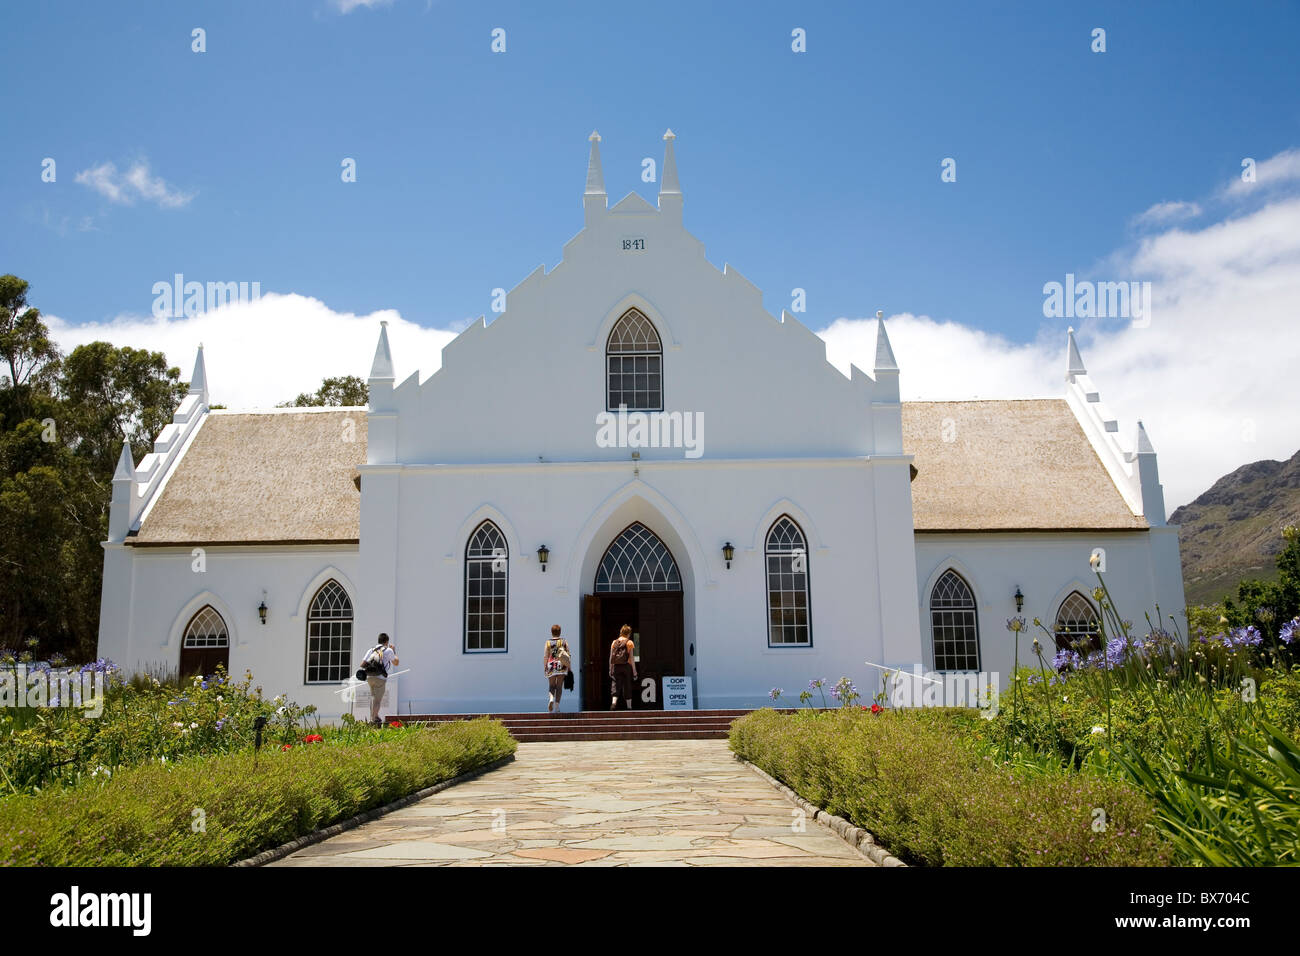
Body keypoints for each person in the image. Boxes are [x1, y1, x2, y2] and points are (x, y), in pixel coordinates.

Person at [360, 633, 398, 726]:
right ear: (387, 641)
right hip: (380, 678)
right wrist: (394, 651)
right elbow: (396, 662)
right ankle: (373, 719)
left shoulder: (371, 650)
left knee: (373, 698)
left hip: (369, 677)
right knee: (377, 700)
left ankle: (374, 717)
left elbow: (362, 664)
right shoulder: (388, 650)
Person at [543, 624, 571, 713]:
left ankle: (551, 699)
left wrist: (545, 666)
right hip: (561, 665)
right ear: (560, 632)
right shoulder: (564, 642)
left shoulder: (548, 642)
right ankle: (557, 706)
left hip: (551, 665)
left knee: (551, 686)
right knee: (559, 686)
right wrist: (569, 667)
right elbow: (568, 655)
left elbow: (545, 656)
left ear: (552, 632)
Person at [609, 624, 637, 710]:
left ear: (621, 632)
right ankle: (629, 707)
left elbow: (611, 657)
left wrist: (610, 668)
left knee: (615, 684)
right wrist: (634, 671)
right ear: (629, 633)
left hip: (616, 666)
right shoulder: (629, 642)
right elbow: (632, 658)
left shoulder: (614, 642)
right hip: (626, 667)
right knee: (627, 685)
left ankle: (613, 703)